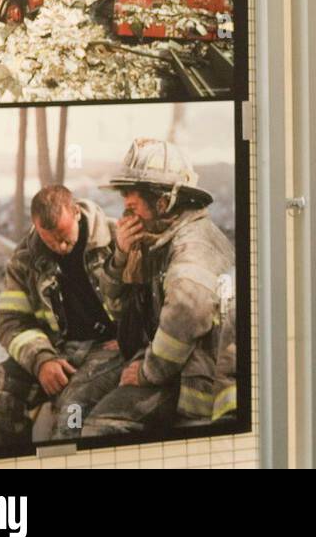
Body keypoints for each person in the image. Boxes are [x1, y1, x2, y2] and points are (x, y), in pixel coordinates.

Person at [82, 139, 237, 436]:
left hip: (194, 383)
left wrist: (145, 372)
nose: (126, 216)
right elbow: (118, 313)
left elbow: (185, 315)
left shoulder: (192, 249)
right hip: (167, 367)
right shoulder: (158, 239)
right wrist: (121, 257)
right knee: (77, 403)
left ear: (163, 202)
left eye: (132, 204)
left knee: (100, 428)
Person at [0, 185, 122, 445]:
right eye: (50, 240)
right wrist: (42, 360)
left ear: (75, 212)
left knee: (72, 407)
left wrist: (132, 337)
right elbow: (11, 322)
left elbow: (146, 300)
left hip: (108, 348)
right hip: (55, 349)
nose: (61, 247)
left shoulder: (117, 239)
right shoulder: (24, 259)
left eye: (64, 236)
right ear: (35, 225)